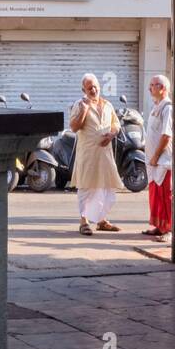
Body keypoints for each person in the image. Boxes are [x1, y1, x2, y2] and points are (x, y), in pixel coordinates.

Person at [68, 73, 124, 236]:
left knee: (105, 187)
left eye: (95, 86)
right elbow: (74, 127)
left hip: (104, 154)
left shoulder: (107, 104)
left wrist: (111, 135)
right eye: (89, 87)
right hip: (88, 154)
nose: (93, 90)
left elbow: (116, 125)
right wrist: (84, 111)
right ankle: (84, 222)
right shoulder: (80, 104)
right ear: (84, 90)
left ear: (99, 86)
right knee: (87, 187)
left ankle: (101, 221)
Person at [142, 74, 174, 241]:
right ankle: (159, 227)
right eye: (150, 84)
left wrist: (155, 156)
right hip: (153, 161)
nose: (150, 88)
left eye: (153, 85)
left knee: (165, 195)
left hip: (163, 160)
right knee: (155, 195)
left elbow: (166, 136)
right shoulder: (156, 107)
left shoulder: (167, 108)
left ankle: (169, 230)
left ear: (163, 88)